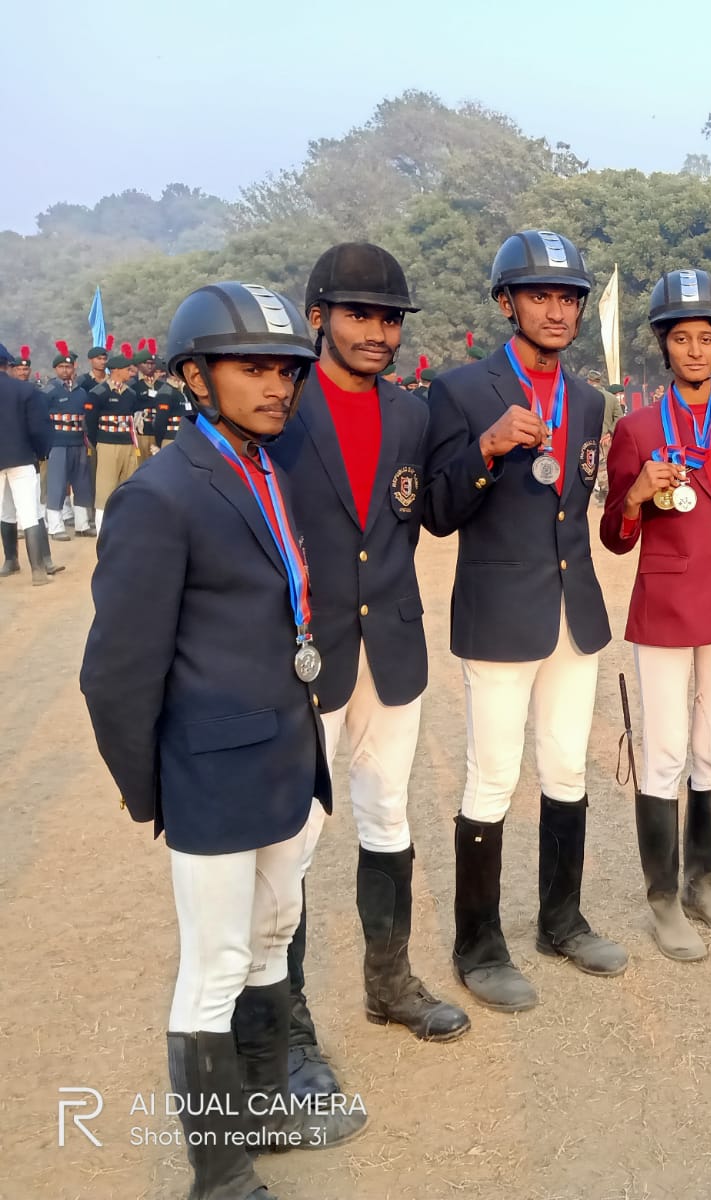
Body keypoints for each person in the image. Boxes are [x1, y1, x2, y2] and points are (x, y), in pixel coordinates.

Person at [81, 283, 367, 1198]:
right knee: (211, 971)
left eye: (286, 368)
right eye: (253, 368)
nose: (279, 385)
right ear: (195, 376)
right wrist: (159, 788)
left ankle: (268, 1107)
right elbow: (116, 672)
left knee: (275, 936)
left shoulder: (265, 470)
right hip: (210, 776)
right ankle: (220, 1172)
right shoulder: (162, 494)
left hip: (286, 759)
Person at [268, 243, 470, 1100]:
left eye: (390, 318)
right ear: (317, 318)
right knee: (292, 846)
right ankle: (290, 1032)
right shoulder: (281, 406)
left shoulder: (413, 415)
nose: (378, 332)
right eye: (360, 314)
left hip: (390, 644)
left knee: (387, 819)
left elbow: (438, 514)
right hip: (304, 655)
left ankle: (389, 984)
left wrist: (487, 455)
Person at [421, 229, 627, 1011]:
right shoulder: (461, 390)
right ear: (506, 303)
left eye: (568, 297)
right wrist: (487, 447)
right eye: (538, 295)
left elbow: (572, 499)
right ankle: (477, 943)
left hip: (573, 611)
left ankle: (562, 920)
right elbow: (440, 512)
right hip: (501, 613)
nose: (556, 309)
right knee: (493, 775)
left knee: (567, 770)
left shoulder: (588, 400)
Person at [600, 269, 711, 961]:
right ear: (663, 348)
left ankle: (703, 882)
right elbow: (615, 535)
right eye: (681, 339)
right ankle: (662, 899)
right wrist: (635, 494)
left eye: (706, 338)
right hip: (666, 606)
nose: (695, 350)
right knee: (664, 753)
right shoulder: (638, 426)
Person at [0, 344, 54, 584]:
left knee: (6, 512)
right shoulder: (24, 390)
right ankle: (38, 571)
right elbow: (38, 428)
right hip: (22, 457)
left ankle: (10, 560)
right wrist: (41, 453)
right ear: (7, 366)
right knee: (30, 512)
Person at [41, 343, 95, 540]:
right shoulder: (49, 391)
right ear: (56, 369)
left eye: (69, 366)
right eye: (62, 367)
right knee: (57, 484)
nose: (66, 370)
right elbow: (41, 417)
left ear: (74, 368)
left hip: (78, 442)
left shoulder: (81, 392)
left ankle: (82, 524)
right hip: (57, 443)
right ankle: (55, 527)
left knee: (82, 483)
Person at [88, 348, 142, 531]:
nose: (131, 372)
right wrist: (98, 443)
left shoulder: (131, 394)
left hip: (128, 445)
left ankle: (126, 527)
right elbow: (91, 421)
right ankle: (102, 531)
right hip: (107, 444)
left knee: (128, 486)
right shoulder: (99, 392)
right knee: (105, 489)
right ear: (117, 370)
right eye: (128, 369)